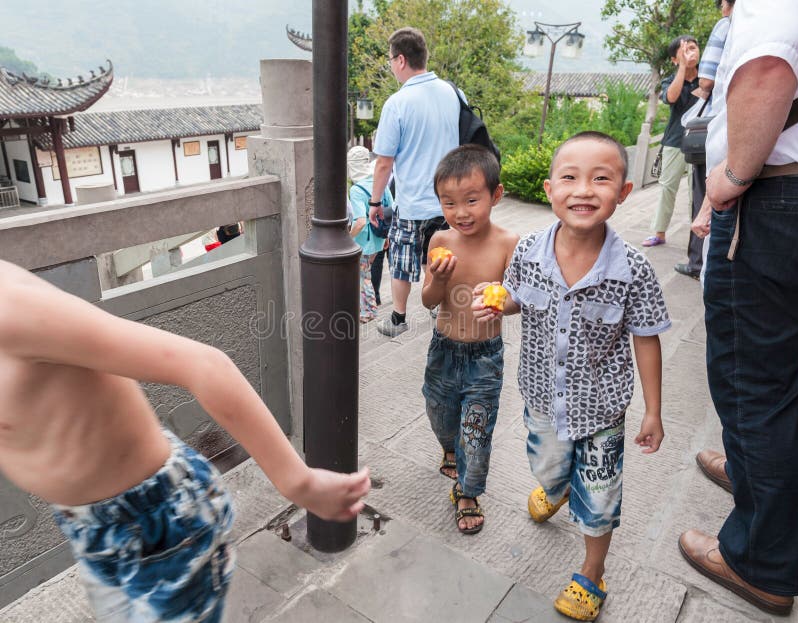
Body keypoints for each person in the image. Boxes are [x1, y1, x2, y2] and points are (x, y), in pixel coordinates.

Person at [0, 260, 371, 622]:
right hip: (89, 529)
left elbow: (204, 365)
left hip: (159, 523)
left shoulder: (13, 309)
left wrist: (299, 482)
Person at [478, 132, 670, 621]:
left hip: (602, 408)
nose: (584, 189)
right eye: (570, 177)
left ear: (623, 193)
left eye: (601, 179)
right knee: (547, 468)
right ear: (548, 189)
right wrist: (500, 302)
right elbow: (518, 296)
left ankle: (592, 572)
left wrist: (652, 410)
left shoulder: (634, 270)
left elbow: (646, 338)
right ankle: (557, 487)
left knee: (600, 498)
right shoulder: (527, 253)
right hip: (542, 397)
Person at [679, 0, 798, 615]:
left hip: (776, 199)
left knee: (751, 379)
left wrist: (729, 179)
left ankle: (760, 559)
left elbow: (770, 68)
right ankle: (755, 475)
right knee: (782, 375)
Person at [420, 145, 518, 535]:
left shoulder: (508, 243)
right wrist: (439, 279)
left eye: (472, 200)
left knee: (475, 431)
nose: (461, 212)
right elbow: (428, 299)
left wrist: (501, 304)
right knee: (439, 414)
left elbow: (516, 301)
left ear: (496, 195)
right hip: (442, 349)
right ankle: (449, 447)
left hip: (484, 358)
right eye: (449, 203)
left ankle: (468, 492)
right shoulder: (440, 241)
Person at [369, 26, 460, 337]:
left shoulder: (398, 102)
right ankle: (440, 315)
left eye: (391, 60)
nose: (391, 66)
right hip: (448, 201)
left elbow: (383, 163)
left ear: (402, 60)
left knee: (402, 262)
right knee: (437, 259)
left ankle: (398, 318)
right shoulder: (453, 93)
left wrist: (375, 201)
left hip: (412, 203)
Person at [674, 1, 735, 280]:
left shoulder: (726, 25)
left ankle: (699, 263)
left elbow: (707, 81)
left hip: (719, 128)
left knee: (704, 194)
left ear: (726, 5)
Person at [642, 35, 700, 249]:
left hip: (702, 142)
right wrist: (683, 70)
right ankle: (659, 233)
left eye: (693, 48)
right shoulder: (670, 79)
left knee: (697, 190)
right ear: (675, 59)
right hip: (675, 141)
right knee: (668, 187)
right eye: (684, 51)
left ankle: (698, 237)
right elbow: (672, 98)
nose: (691, 52)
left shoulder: (708, 78)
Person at [347, 146, 393, 323]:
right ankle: (367, 307)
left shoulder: (357, 190)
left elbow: (360, 222)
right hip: (379, 237)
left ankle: (369, 312)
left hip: (364, 241)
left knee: (363, 275)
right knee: (366, 273)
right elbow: (390, 208)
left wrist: (348, 238)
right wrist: (386, 236)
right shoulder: (379, 182)